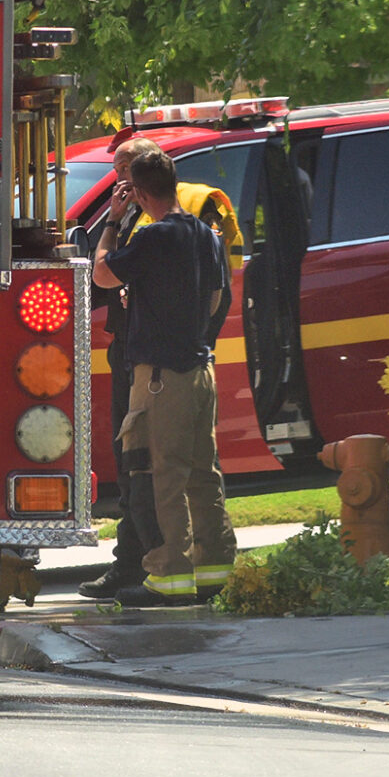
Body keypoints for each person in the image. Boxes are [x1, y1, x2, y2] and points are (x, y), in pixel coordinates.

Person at [91, 148, 236, 604]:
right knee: (202, 473)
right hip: (200, 369)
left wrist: (113, 222)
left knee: (161, 474)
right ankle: (213, 570)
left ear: (136, 191)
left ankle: (168, 577)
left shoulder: (152, 237)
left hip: (159, 376)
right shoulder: (206, 235)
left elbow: (102, 275)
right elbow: (214, 298)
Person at [76, 137, 167, 599]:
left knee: (143, 463)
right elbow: (98, 276)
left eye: (127, 167)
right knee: (127, 460)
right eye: (116, 168)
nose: (120, 178)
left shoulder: (161, 220)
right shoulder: (127, 214)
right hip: (126, 347)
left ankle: (141, 565)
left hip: (150, 353)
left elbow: (108, 273)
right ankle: (129, 563)